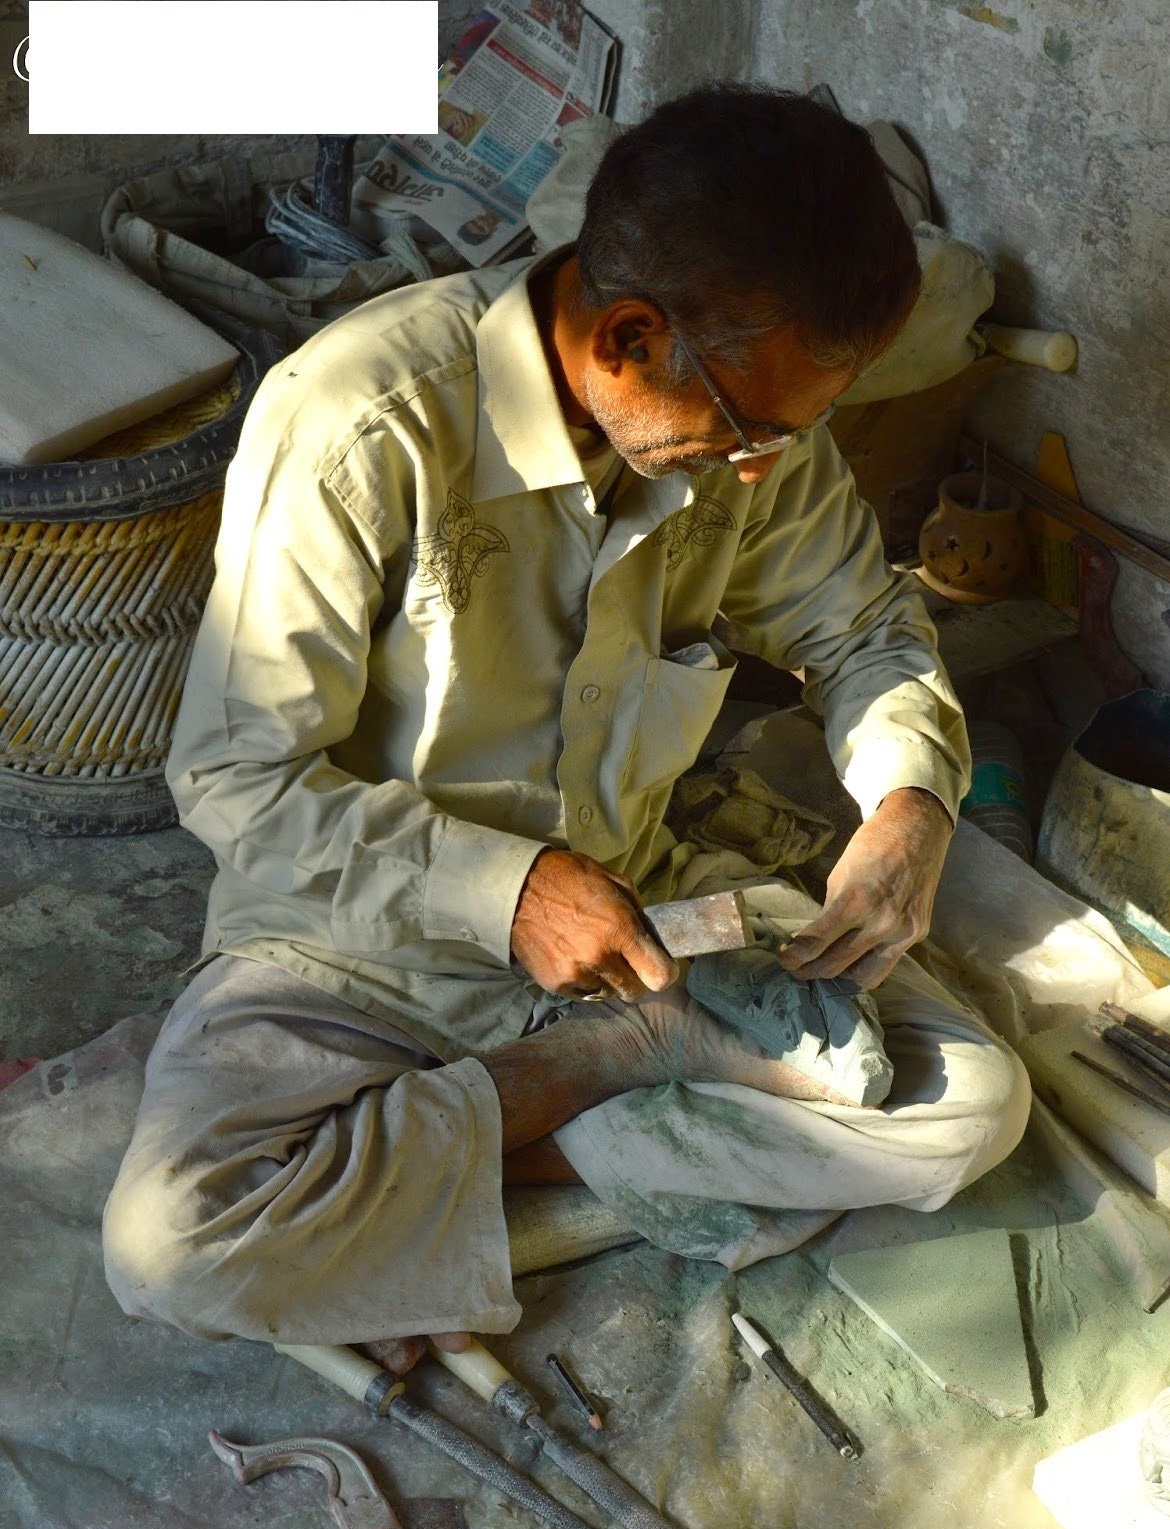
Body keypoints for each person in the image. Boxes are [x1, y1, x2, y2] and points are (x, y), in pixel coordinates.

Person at [103, 86, 1029, 1375]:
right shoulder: (360, 419)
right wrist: (509, 887)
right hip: (366, 939)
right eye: (751, 430)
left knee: (973, 1109)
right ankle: (622, 1081)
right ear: (632, 334)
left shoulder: (755, 429)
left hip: (646, 913)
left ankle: (418, 1192)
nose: (763, 468)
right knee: (172, 1246)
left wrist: (912, 801)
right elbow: (234, 776)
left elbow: (863, 628)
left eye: (790, 434)